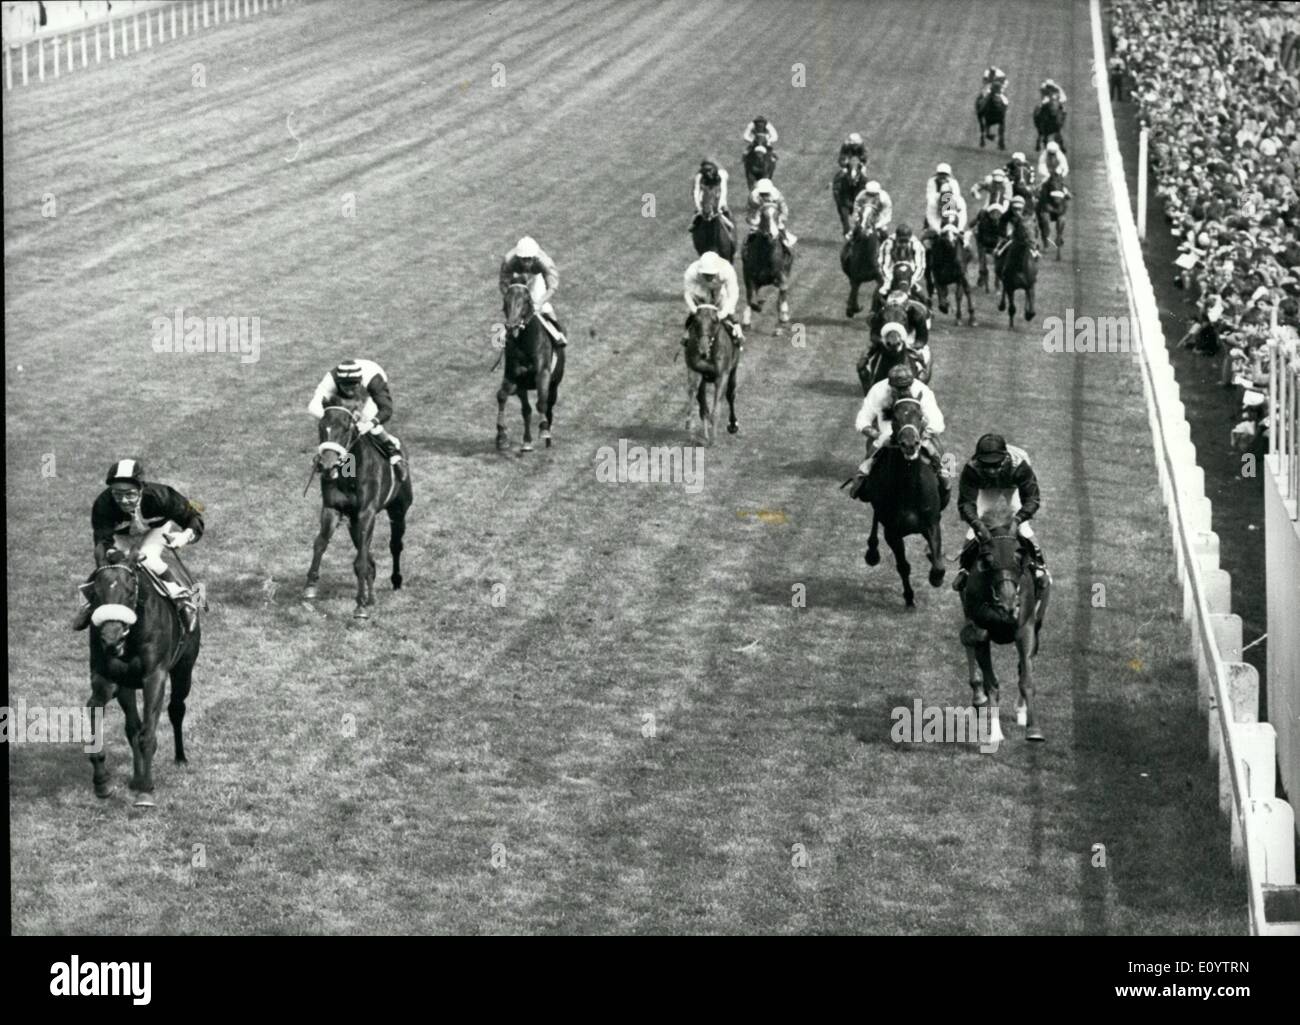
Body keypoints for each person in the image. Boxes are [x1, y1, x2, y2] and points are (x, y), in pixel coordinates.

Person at [73, 460, 205, 631]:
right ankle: (88, 603)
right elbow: (102, 541)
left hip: (155, 531)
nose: (124, 500)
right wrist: (115, 554)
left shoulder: (162, 496)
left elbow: (194, 517)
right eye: (117, 494)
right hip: (123, 536)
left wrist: (183, 536)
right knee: (110, 569)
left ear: (141, 489)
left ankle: (183, 600)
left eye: (130, 494)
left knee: (149, 559)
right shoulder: (103, 503)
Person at [951, 433, 1048, 592]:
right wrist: (978, 525)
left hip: (1013, 485)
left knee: (1023, 527)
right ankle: (964, 570)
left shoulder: (1020, 466)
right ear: (978, 459)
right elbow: (966, 504)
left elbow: (1033, 500)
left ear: (1005, 458)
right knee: (973, 528)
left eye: (996, 465)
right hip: (987, 488)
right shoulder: (971, 468)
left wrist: (1017, 519)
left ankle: (1040, 565)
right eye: (986, 465)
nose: (991, 470)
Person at [853, 363, 950, 500]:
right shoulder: (878, 390)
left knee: (942, 450)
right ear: (890, 384)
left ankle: (947, 478)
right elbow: (862, 420)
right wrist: (876, 434)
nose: (903, 391)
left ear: (911, 383)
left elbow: (938, 423)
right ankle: (861, 479)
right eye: (898, 388)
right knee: (871, 455)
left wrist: (921, 432)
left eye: (906, 387)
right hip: (886, 435)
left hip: (918, 434)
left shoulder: (923, 390)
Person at [307, 359, 407, 479]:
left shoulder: (374, 380)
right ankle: (331, 458)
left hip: (370, 380)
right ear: (338, 383)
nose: (350, 391)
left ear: (359, 383)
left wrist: (369, 424)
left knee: (367, 415)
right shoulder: (330, 380)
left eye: (353, 387)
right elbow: (312, 407)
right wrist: (337, 420)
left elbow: (386, 409)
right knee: (335, 422)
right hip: (348, 383)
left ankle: (392, 451)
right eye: (346, 387)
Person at [499, 236, 568, 347]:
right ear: (517, 257)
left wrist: (539, 303)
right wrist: (510, 298)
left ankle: (558, 333)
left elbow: (552, 287)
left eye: (529, 259)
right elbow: (503, 283)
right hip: (517, 276)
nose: (526, 263)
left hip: (536, 275)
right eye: (523, 259)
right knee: (514, 306)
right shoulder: (509, 261)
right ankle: (508, 332)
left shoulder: (545, 263)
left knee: (542, 306)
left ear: (534, 258)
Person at [682, 250, 745, 349]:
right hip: (701, 289)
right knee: (695, 315)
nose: (709, 277)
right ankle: (687, 334)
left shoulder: (727, 270)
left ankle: (738, 334)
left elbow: (733, 294)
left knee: (729, 311)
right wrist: (694, 309)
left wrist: (723, 313)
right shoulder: (691, 271)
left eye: (711, 274)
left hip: (721, 290)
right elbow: (688, 294)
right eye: (706, 274)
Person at [747, 178, 797, 247]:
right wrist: (753, 220)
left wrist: (781, 218)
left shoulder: (777, 197)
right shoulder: (753, 198)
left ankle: (787, 243)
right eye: (762, 194)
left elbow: (784, 209)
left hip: (775, 215)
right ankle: (747, 247)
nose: (764, 196)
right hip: (759, 216)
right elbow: (751, 211)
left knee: (780, 226)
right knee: (753, 230)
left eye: (766, 194)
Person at [880, 224, 927, 293]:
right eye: (901, 241)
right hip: (892, 267)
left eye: (906, 242)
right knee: (880, 292)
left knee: (921, 295)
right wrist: (890, 279)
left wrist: (912, 280)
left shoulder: (916, 245)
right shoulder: (888, 243)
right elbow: (883, 264)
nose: (903, 245)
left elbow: (920, 266)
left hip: (910, 268)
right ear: (897, 238)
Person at [690, 158, 732, 231]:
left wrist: (719, 206)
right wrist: (699, 207)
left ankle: (729, 226)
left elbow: (723, 191)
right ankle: (695, 223)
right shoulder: (699, 176)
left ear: (713, 169)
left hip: (717, 189)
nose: (708, 173)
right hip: (705, 190)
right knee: (700, 208)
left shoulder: (721, 174)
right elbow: (696, 192)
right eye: (706, 171)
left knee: (724, 207)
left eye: (710, 171)